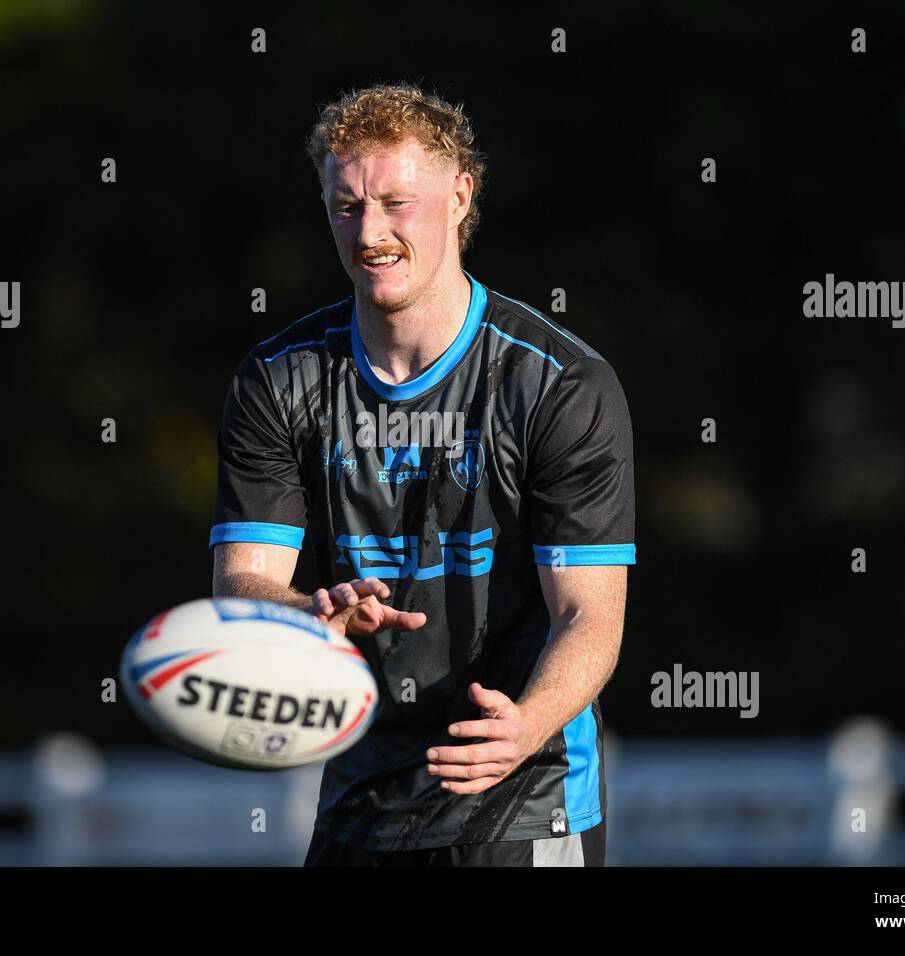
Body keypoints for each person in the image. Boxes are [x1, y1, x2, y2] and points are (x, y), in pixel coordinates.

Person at [210, 82, 634, 866]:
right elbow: (241, 588)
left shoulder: (558, 383)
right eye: (345, 206)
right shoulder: (278, 380)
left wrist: (527, 722)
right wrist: (310, 610)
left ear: (460, 196)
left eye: (396, 203)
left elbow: (590, 616)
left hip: (521, 796)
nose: (368, 232)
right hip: (356, 803)